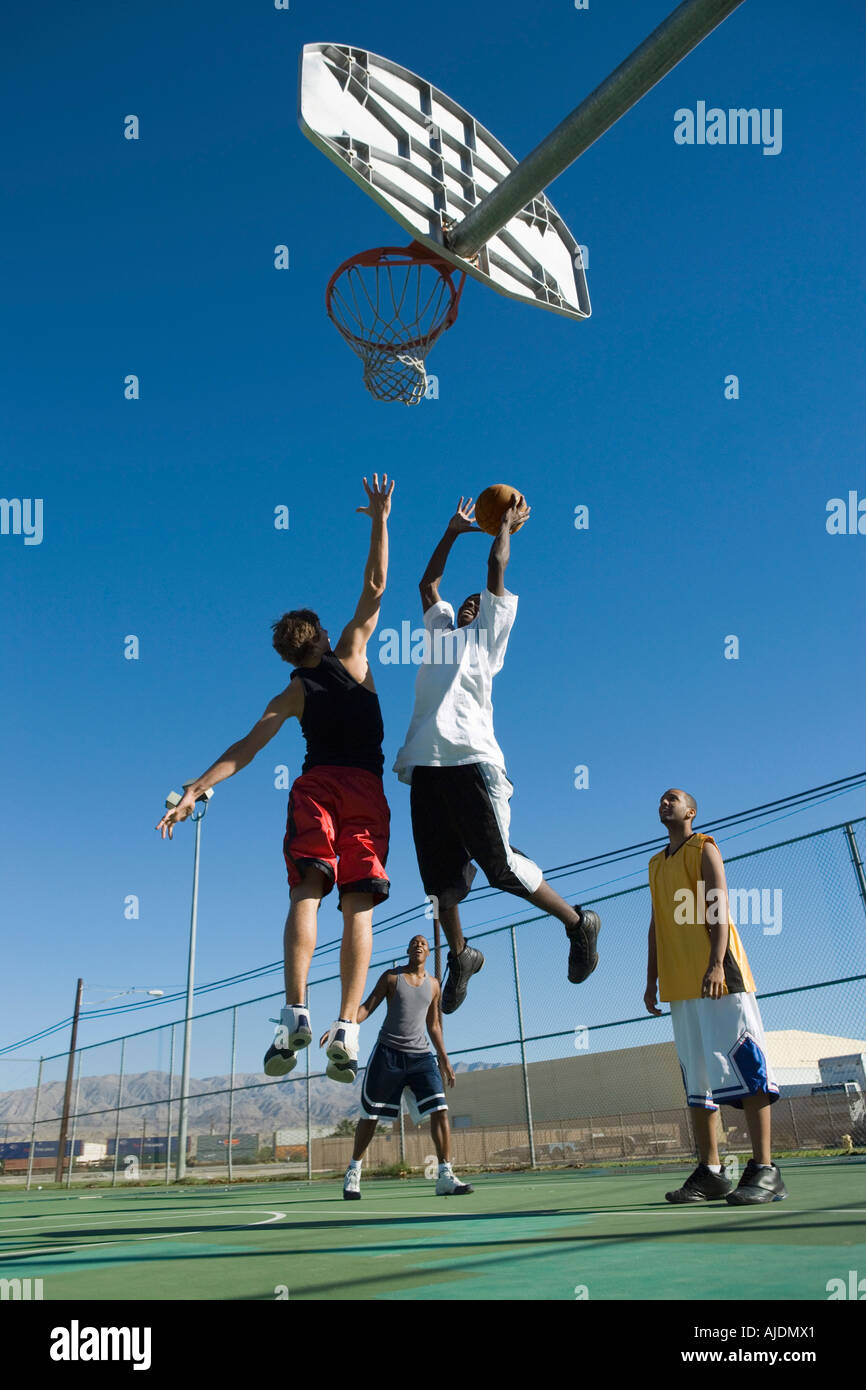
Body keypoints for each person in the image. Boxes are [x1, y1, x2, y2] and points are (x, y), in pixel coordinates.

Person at [156, 475, 395, 1085]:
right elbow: (374, 587)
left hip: (316, 788)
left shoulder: (291, 692)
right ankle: (347, 1025)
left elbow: (245, 749)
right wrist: (378, 519)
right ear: (319, 634)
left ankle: (295, 1013)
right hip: (363, 788)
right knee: (358, 902)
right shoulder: (351, 654)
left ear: (289, 653)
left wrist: (197, 789)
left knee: (307, 892)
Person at [392, 495, 600, 1013]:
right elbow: (427, 585)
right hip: (425, 765)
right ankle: (461, 956)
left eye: (477, 603)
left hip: (470, 758)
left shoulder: (488, 638)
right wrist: (451, 531)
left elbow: (496, 566)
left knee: (500, 867)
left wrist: (501, 526)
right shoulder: (440, 633)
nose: (469, 605)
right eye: (463, 604)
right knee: (438, 886)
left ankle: (578, 923)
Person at [645, 788, 786, 1204]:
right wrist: (650, 979)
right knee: (697, 1076)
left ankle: (765, 1168)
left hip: (719, 976)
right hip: (680, 984)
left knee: (745, 1061)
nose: (664, 803)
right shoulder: (655, 864)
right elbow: (656, 924)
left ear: (692, 811)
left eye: (673, 798)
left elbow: (718, 908)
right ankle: (711, 1170)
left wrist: (716, 963)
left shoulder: (705, 848)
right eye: (661, 800)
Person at [340, 935, 473, 1199]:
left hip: (421, 1057)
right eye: (414, 942)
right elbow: (366, 1007)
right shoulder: (391, 977)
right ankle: (354, 1171)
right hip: (387, 1055)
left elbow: (433, 1025)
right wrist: (342, 1025)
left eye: (423, 942)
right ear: (408, 950)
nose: (419, 944)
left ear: (428, 951)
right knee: (370, 1115)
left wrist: (444, 1058)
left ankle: (445, 1175)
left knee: (440, 1109)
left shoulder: (434, 985)